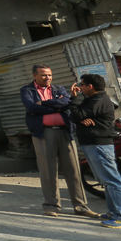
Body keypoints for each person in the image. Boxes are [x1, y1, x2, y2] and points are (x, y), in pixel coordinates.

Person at [19, 65, 98, 218]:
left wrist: (45, 103)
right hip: (43, 133)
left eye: (49, 74)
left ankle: (80, 206)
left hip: (65, 132)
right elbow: (32, 108)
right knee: (48, 171)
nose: (47, 78)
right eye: (43, 75)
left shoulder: (59, 89)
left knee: (74, 170)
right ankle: (51, 205)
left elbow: (68, 104)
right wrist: (57, 106)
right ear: (34, 75)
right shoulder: (27, 91)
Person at [71, 74, 121, 229]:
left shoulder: (98, 100)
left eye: (83, 85)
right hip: (93, 144)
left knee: (112, 181)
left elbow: (76, 114)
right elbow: (80, 115)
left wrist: (73, 100)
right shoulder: (93, 99)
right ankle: (114, 212)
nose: (81, 87)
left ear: (90, 86)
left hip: (99, 145)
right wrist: (81, 117)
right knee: (106, 181)